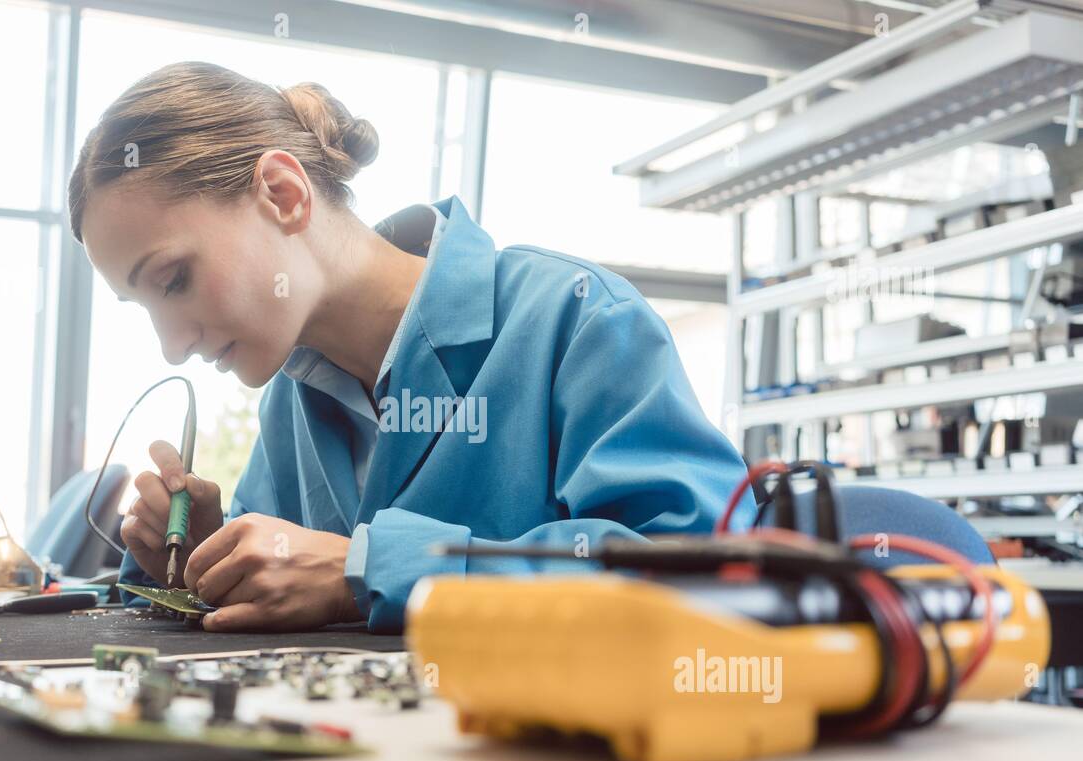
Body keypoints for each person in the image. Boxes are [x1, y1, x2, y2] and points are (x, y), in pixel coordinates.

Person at [69, 61, 754, 634]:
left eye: (174, 280)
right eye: (147, 308)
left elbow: (716, 581)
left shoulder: (577, 320)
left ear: (282, 194)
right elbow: (287, 583)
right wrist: (201, 555)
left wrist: (370, 569)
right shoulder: (294, 400)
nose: (172, 346)